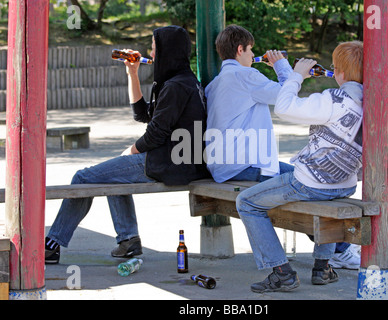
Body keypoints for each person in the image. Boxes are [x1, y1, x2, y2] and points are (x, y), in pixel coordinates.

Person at [45, 25, 209, 264]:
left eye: (154, 48)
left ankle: (52, 244)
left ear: (167, 50)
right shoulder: (184, 81)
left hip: (170, 164)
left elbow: (155, 134)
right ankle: (128, 240)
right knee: (113, 175)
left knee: (83, 177)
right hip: (180, 161)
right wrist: (132, 74)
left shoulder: (175, 86)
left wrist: (130, 151)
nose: (151, 54)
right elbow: (143, 115)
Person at [236, 40, 364, 293]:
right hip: (345, 184)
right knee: (324, 202)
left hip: (312, 182)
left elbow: (284, 108)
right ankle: (322, 268)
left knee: (246, 203)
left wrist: (295, 76)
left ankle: (281, 271)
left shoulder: (333, 99)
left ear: (338, 71)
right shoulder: (372, 98)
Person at [204, 24, 294, 183]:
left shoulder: (214, 84)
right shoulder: (245, 75)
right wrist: (281, 66)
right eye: (250, 49)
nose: (253, 55)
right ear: (240, 50)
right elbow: (286, 96)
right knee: (309, 179)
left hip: (222, 168)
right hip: (244, 167)